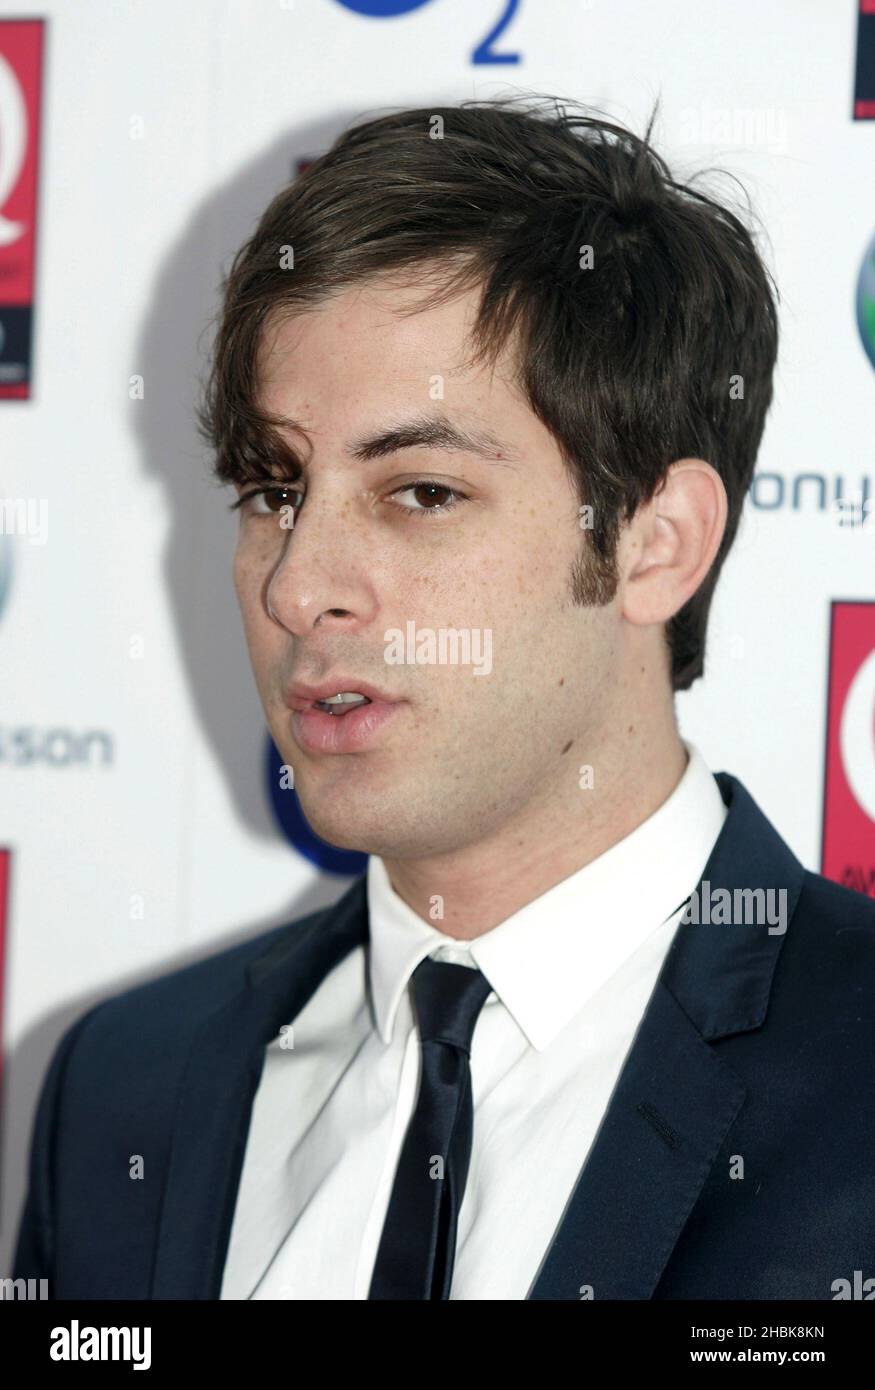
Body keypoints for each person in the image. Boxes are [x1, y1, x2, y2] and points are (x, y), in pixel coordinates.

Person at [14, 95, 875, 1301]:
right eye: (271, 489)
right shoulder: (124, 1086)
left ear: (654, 542)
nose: (298, 586)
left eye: (419, 492)